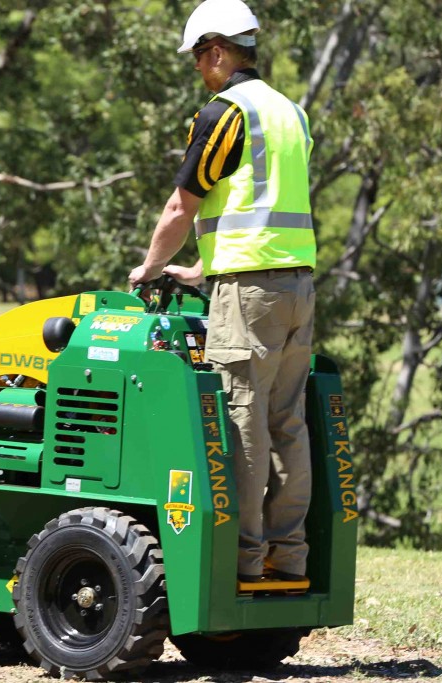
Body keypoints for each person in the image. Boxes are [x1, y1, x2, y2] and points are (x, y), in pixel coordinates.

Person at [128, 0, 317, 584]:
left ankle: (240, 562)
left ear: (216, 51)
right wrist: (203, 271)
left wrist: (150, 267)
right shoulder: (292, 113)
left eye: (197, 60)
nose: (196, 71)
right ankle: (287, 558)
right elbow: (261, 212)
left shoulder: (225, 113)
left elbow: (182, 204)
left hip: (249, 296)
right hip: (296, 286)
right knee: (288, 422)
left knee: (242, 421)